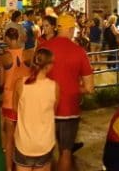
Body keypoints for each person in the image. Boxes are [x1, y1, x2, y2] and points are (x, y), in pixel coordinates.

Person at [41, 13, 94, 171]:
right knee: (65, 152)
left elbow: (34, 76)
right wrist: (74, 88)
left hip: (45, 107)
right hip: (69, 110)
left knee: (45, 152)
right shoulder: (79, 51)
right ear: (70, 29)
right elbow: (89, 87)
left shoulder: (44, 48)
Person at [12, 48, 59, 171]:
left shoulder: (20, 84)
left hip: (24, 143)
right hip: (45, 144)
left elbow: (15, 108)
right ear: (48, 66)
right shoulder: (54, 87)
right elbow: (53, 110)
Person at [0, 28, 30, 170]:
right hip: (24, 100)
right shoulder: (28, 54)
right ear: (18, 38)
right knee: (22, 138)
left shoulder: (4, 57)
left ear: (7, 39)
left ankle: (8, 169)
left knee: (9, 140)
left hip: (9, 101)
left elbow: (1, 82)